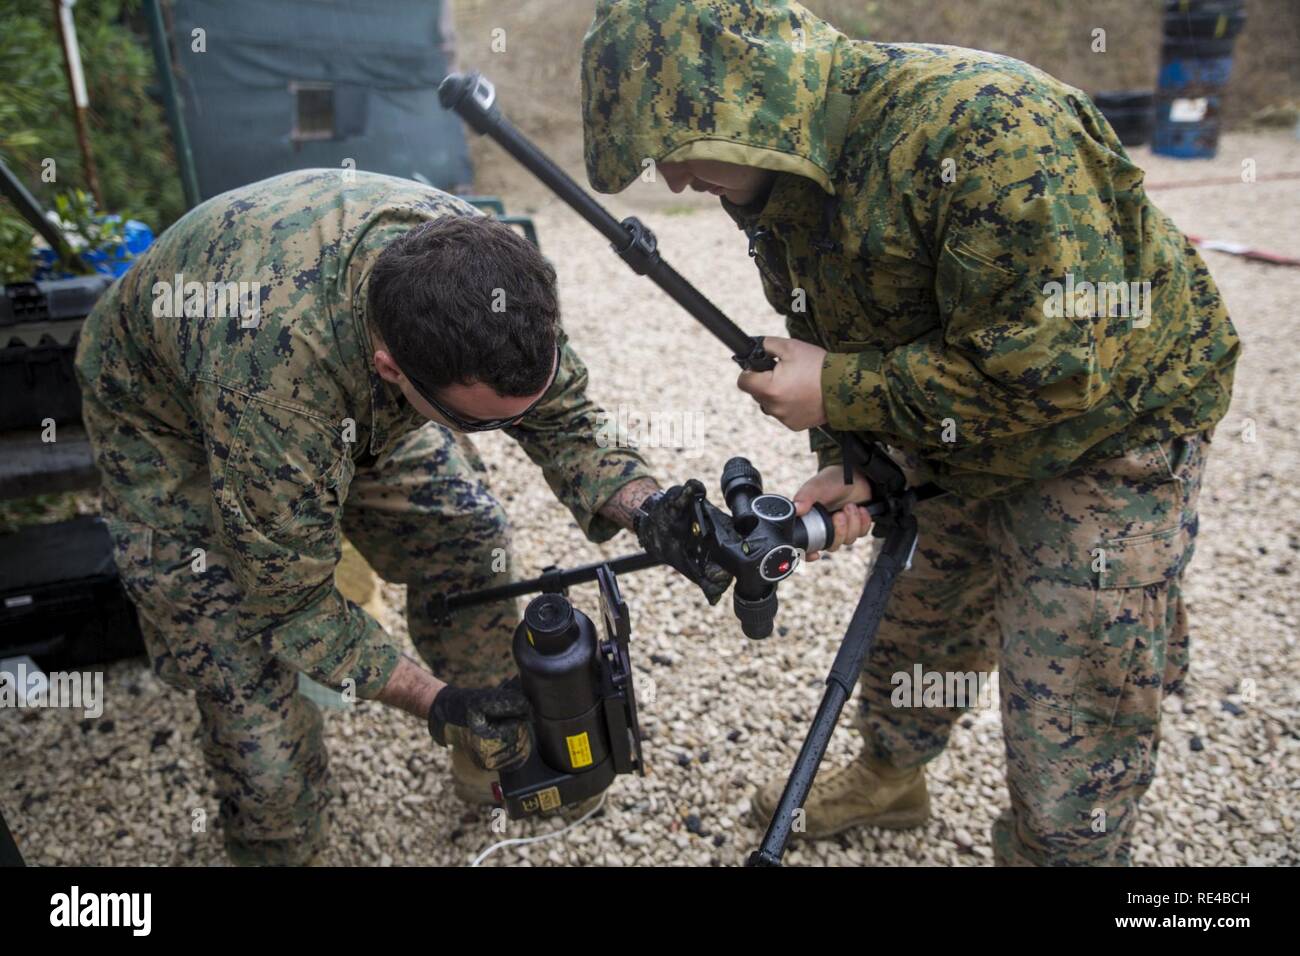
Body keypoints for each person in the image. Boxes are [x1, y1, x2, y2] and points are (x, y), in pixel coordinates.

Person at [581, 0, 1240, 865]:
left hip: (1111, 434)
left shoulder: (989, 128)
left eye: (671, 148)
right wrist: (852, 455)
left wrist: (843, 389)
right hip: (965, 428)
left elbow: (1060, 368)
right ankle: (892, 774)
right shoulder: (778, 173)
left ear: (739, 99)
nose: (668, 181)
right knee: (926, 616)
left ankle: (1060, 854)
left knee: (1074, 699)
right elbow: (837, 322)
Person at [75, 168, 727, 865]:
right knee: (247, 696)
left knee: (466, 537)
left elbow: (564, 416)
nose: (514, 425)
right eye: (477, 425)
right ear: (394, 374)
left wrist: (648, 508)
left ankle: (495, 749)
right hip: (166, 419)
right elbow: (294, 608)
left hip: (319, 373)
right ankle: (281, 847)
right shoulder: (277, 395)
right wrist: (437, 703)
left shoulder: (488, 279)